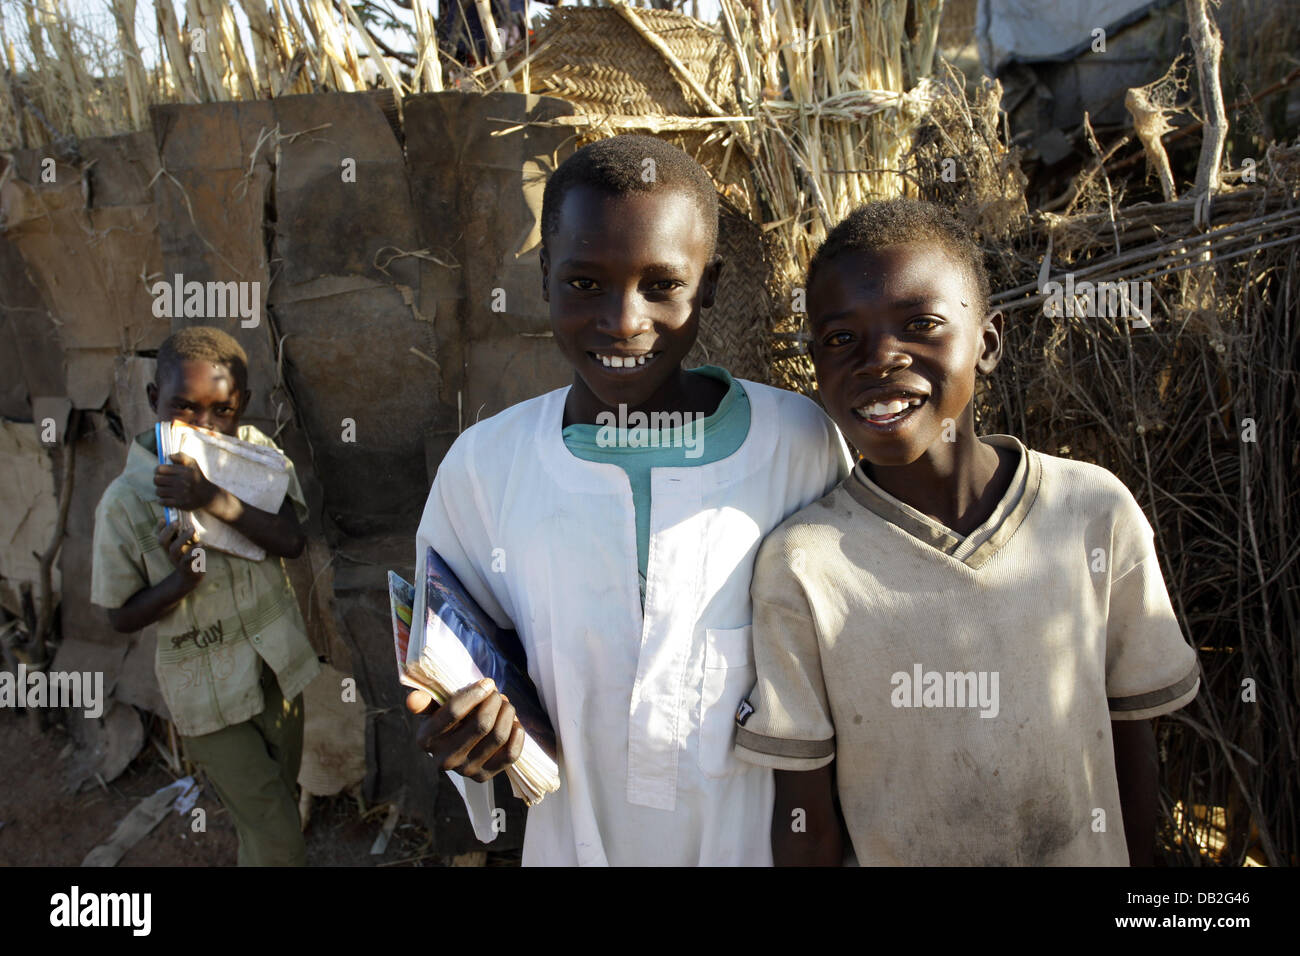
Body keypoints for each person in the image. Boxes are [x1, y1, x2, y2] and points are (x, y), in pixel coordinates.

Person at [407, 135, 850, 865]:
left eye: (661, 284)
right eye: (584, 283)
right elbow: (435, 659)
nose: (622, 319)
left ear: (708, 284)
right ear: (545, 274)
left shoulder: (797, 444)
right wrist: (458, 729)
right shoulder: (488, 467)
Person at [734, 199, 1200, 866]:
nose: (880, 359)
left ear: (987, 342)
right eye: (842, 339)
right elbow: (805, 812)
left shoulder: (1092, 511)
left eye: (921, 324)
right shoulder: (804, 564)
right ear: (816, 364)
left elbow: (1131, 733)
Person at [90, 326, 319, 866]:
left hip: (276, 673)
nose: (204, 427)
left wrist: (210, 497)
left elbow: (290, 540)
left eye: (222, 411)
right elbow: (118, 616)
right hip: (208, 699)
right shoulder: (125, 503)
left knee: (272, 814)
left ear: (241, 406)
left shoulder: (256, 456)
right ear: (154, 402)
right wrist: (179, 584)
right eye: (184, 409)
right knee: (278, 833)